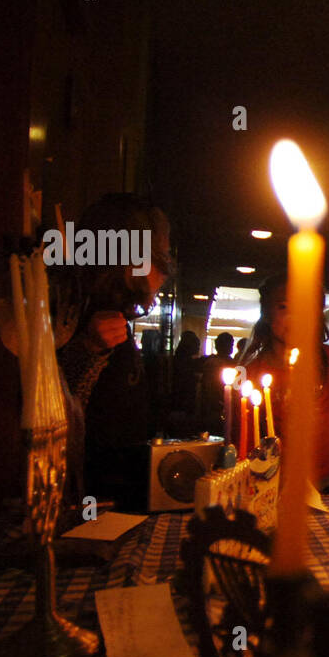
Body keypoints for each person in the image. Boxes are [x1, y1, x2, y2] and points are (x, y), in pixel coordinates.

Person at [55, 193, 173, 511]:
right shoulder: (73, 315)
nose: (164, 271)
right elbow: (50, 414)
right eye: (156, 256)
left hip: (116, 493)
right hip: (87, 502)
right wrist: (88, 350)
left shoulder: (111, 314)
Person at [236, 273, 329, 491]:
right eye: (284, 307)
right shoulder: (252, 371)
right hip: (274, 486)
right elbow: (244, 437)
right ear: (266, 313)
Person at [200, 332, 237, 434]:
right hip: (215, 406)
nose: (231, 347)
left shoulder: (232, 363)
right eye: (230, 344)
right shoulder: (213, 363)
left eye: (232, 344)